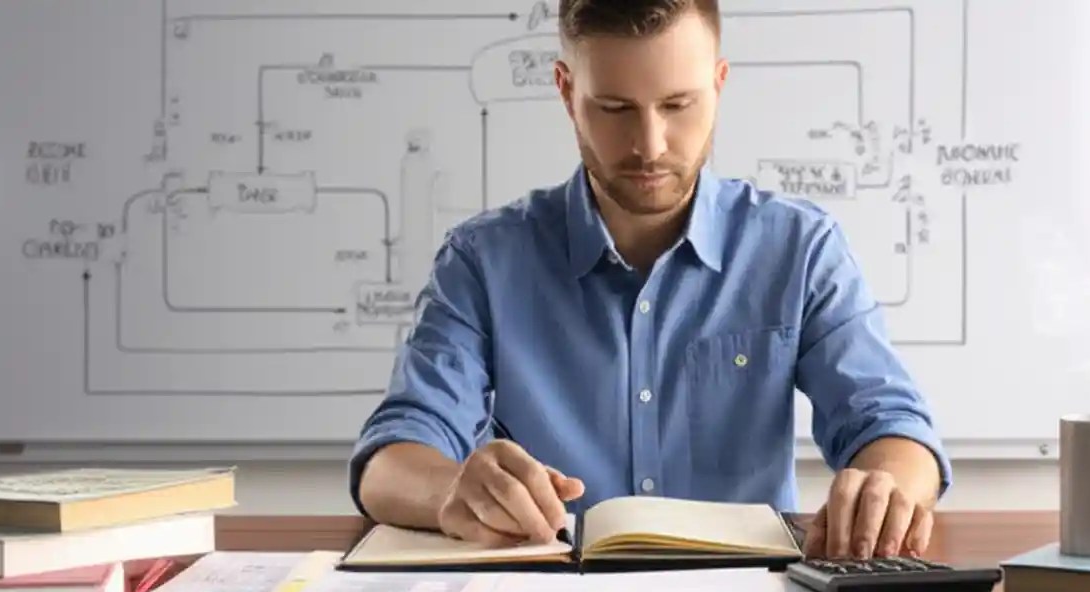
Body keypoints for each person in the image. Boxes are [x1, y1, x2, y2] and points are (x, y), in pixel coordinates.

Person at [349, 0, 952, 560]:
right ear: (566, 92)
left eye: (677, 105)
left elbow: (891, 425)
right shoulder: (484, 259)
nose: (649, 146)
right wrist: (455, 490)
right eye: (614, 109)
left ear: (718, 85)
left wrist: (886, 490)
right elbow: (394, 455)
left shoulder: (799, 249)